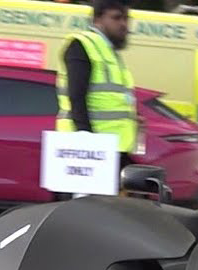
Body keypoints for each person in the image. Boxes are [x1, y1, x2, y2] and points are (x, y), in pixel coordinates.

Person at [55, 0, 137, 188]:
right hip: (89, 150)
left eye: (126, 18)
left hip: (109, 148)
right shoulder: (82, 45)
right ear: (98, 19)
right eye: (116, 18)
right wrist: (87, 139)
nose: (123, 24)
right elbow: (76, 95)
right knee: (85, 211)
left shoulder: (109, 51)